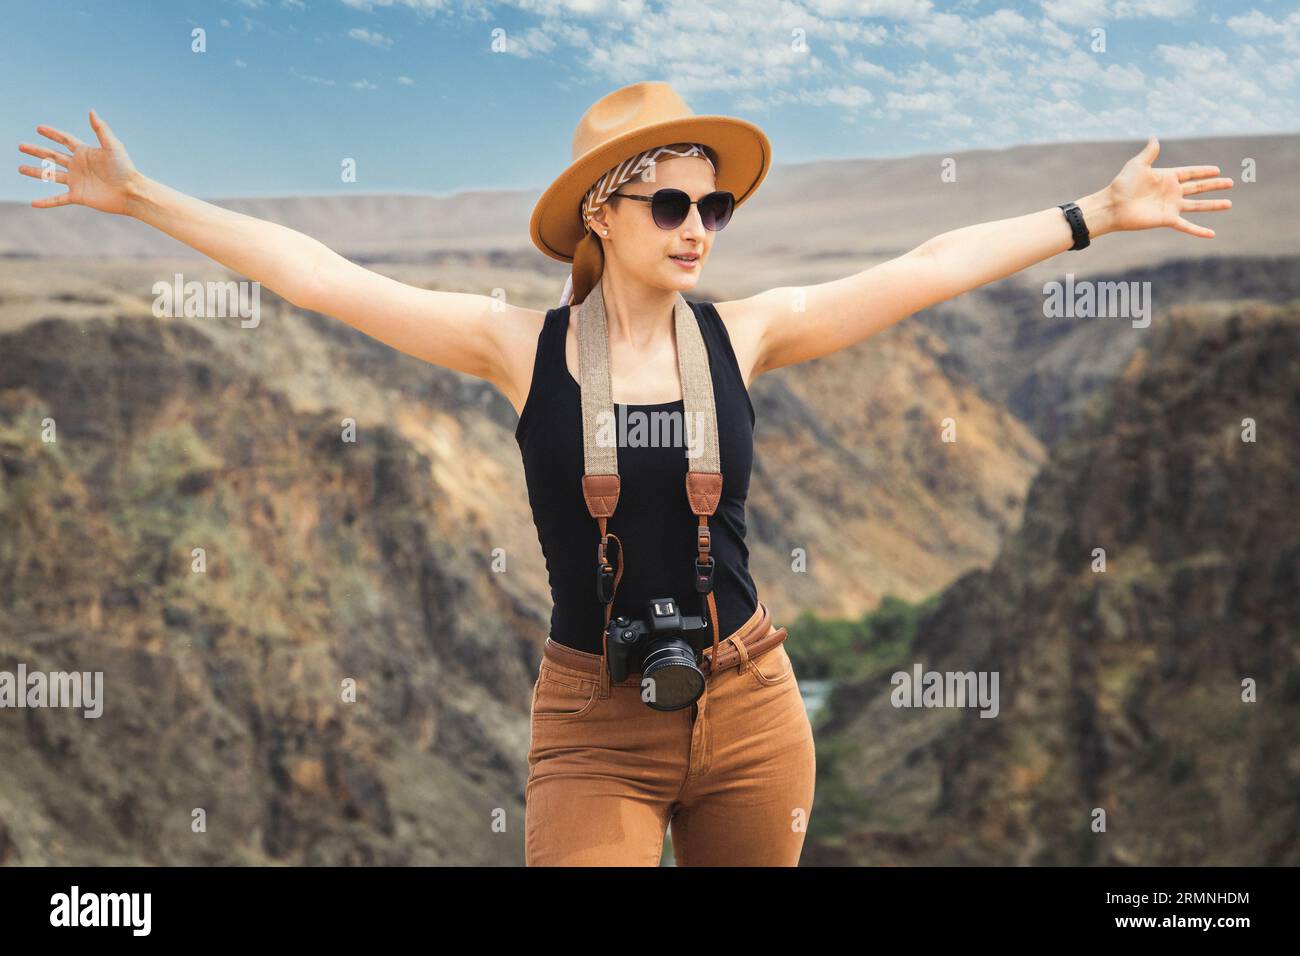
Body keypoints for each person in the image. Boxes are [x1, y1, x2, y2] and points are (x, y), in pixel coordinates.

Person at [17, 81, 1231, 866]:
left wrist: (1092, 216)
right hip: (594, 719)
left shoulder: (743, 333)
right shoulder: (517, 345)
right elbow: (319, 275)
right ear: (600, 214)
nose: (697, 222)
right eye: (668, 201)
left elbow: (929, 262)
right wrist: (141, 200)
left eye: (715, 203)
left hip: (753, 703)